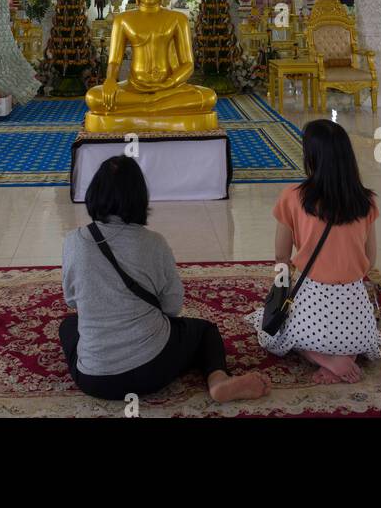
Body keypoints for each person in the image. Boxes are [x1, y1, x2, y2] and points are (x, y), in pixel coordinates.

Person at [60, 156, 269, 403]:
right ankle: (218, 381)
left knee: (68, 325)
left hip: (95, 379)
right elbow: (172, 306)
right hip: (153, 369)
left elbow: (72, 300)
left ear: (93, 194)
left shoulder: (75, 242)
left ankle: (99, 356)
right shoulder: (154, 243)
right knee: (204, 331)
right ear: (140, 199)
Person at [249, 119, 381, 383]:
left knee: (272, 333)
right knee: (350, 338)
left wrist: (281, 289)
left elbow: (281, 256)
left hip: (312, 294)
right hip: (355, 307)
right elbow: (370, 261)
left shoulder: (293, 196)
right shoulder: (366, 201)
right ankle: (347, 355)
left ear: (310, 158)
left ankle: (322, 357)